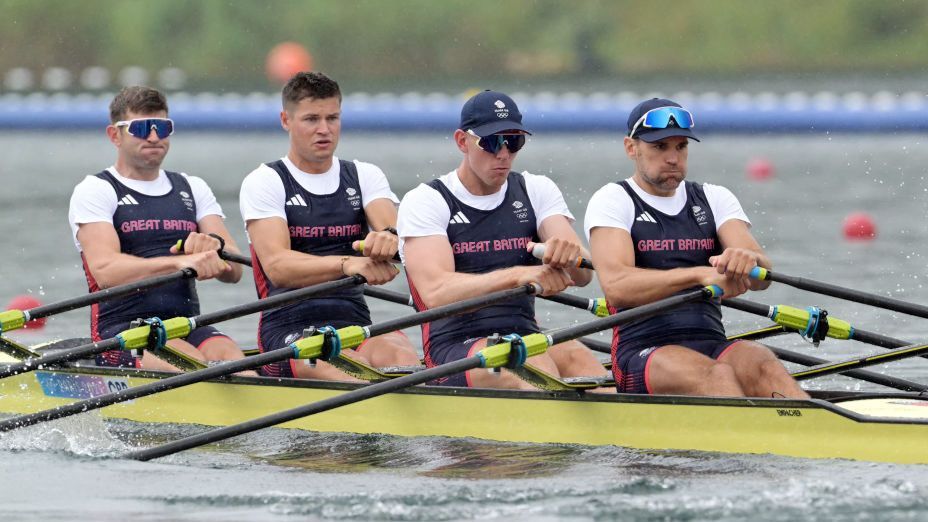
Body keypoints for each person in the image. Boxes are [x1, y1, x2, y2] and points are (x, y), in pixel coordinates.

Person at [584, 97, 809, 398]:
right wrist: (698, 275)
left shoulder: (714, 198)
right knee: (715, 376)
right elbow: (617, 287)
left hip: (712, 344)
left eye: (681, 147)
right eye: (659, 147)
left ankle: (821, 437)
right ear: (631, 148)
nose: (673, 158)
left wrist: (748, 259)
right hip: (643, 353)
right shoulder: (614, 199)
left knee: (761, 362)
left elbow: (760, 278)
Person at [398, 90, 607, 390]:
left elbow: (584, 276)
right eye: (492, 141)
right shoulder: (428, 201)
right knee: (534, 367)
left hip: (523, 336)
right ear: (462, 141)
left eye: (514, 142)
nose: (503, 154)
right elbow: (436, 292)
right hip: (455, 351)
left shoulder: (536, 190)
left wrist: (571, 258)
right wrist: (519, 274)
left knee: (582, 361)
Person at [240, 71, 419, 379]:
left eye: (332, 118)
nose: (324, 129)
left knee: (400, 353)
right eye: (311, 119)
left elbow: (399, 238)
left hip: (354, 324)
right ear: (286, 120)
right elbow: (278, 267)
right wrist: (346, 264)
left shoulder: (364, 176)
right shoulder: (266, 181)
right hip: (288, 332)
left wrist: (391, 239)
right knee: (339, 371)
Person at [68, 86, 248, 371]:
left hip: (186, 326)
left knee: (232, 358)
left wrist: (214, 249)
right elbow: (105, 271)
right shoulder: (96, 190)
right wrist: (182, 261)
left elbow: (236, 271)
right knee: (192, 364)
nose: (154, 137)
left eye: (162, 127)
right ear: (115, 135)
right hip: (121, 332)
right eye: (141, 128)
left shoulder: (192, 187)